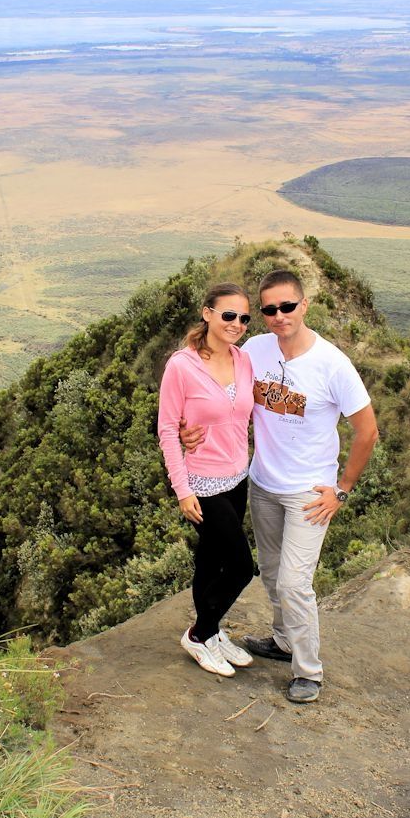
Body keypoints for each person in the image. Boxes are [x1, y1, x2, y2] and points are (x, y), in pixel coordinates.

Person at [184, 269, 378, 703]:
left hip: (309, 493)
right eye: (268, 309)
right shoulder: (254, 349)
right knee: (271, 573)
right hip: (262, 483)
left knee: (293, 583)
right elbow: (212, 387)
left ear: (304, 305)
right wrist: (186, 431)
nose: (278, 316)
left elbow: (367, 432)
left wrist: (341, 489)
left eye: (287, 306)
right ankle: (282, 639)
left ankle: (308, 670)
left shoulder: (332, 364)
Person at [157, 282, 258, 677]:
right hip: (201, 483)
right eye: (228, 315)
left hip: (238, 478)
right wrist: (182, 491)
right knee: (240, 567)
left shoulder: (243, 360)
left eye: (244, 318)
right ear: (207, 313)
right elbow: (167, 430)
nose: (236, 324)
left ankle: (213, 633)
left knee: (211, 561)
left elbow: (248, 413)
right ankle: (199, 634)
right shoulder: (182, 366)